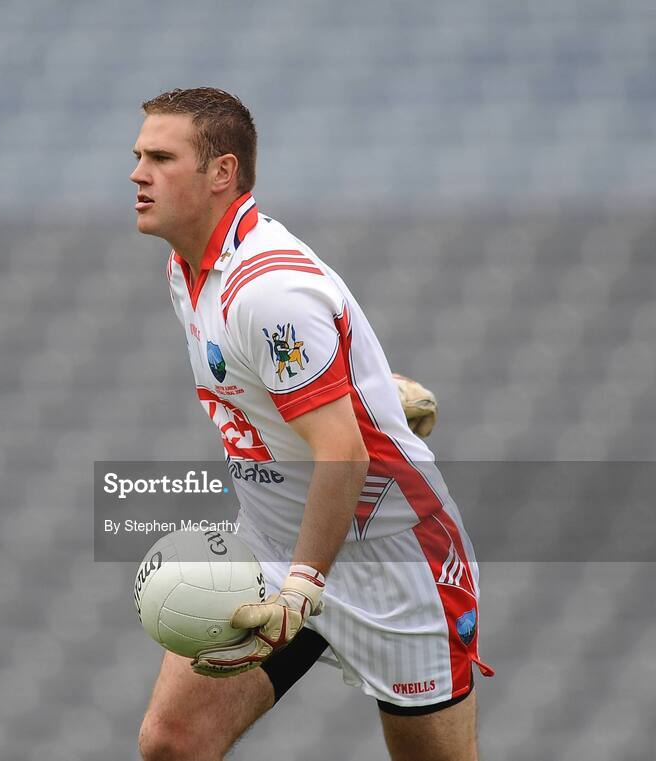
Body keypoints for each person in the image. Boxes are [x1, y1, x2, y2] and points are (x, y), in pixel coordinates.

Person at [130, 87, 492, 761]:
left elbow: (341, 455)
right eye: (138, 155)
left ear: (222, 172)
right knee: (172, 741)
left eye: (160, 156)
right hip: (281, 547)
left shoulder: (268, 290)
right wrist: (373, 396)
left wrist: (302, 589)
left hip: (393, 566)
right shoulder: (189, 271)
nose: (137, 173)